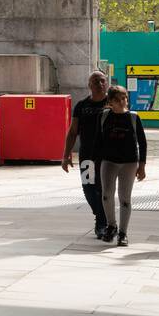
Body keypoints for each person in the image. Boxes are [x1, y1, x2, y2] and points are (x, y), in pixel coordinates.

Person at [93, 85, 147, 246]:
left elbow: (142, 143)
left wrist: (142, 165)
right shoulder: (103, 117)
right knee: (106, 195)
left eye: (124, 98)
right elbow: (98, 141)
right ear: (110, 102)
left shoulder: (133, 117)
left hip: (129, 163)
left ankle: (123, 233)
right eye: (118, 99)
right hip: (108, 161)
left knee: (125, 198)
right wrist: (96, 163)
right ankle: (111, 225)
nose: (122, 101)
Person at [63, 70, 111, 238]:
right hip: (87, 155)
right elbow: (73, 131)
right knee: (88, 188)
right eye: (96, 81)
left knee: (103, 189)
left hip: (107, 157)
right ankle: (100, 216)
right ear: (89, 85)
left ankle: (102, 223)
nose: (100, 84)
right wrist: (66, 154)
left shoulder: (112, 104)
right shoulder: (82, 106)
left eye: (103, 81)